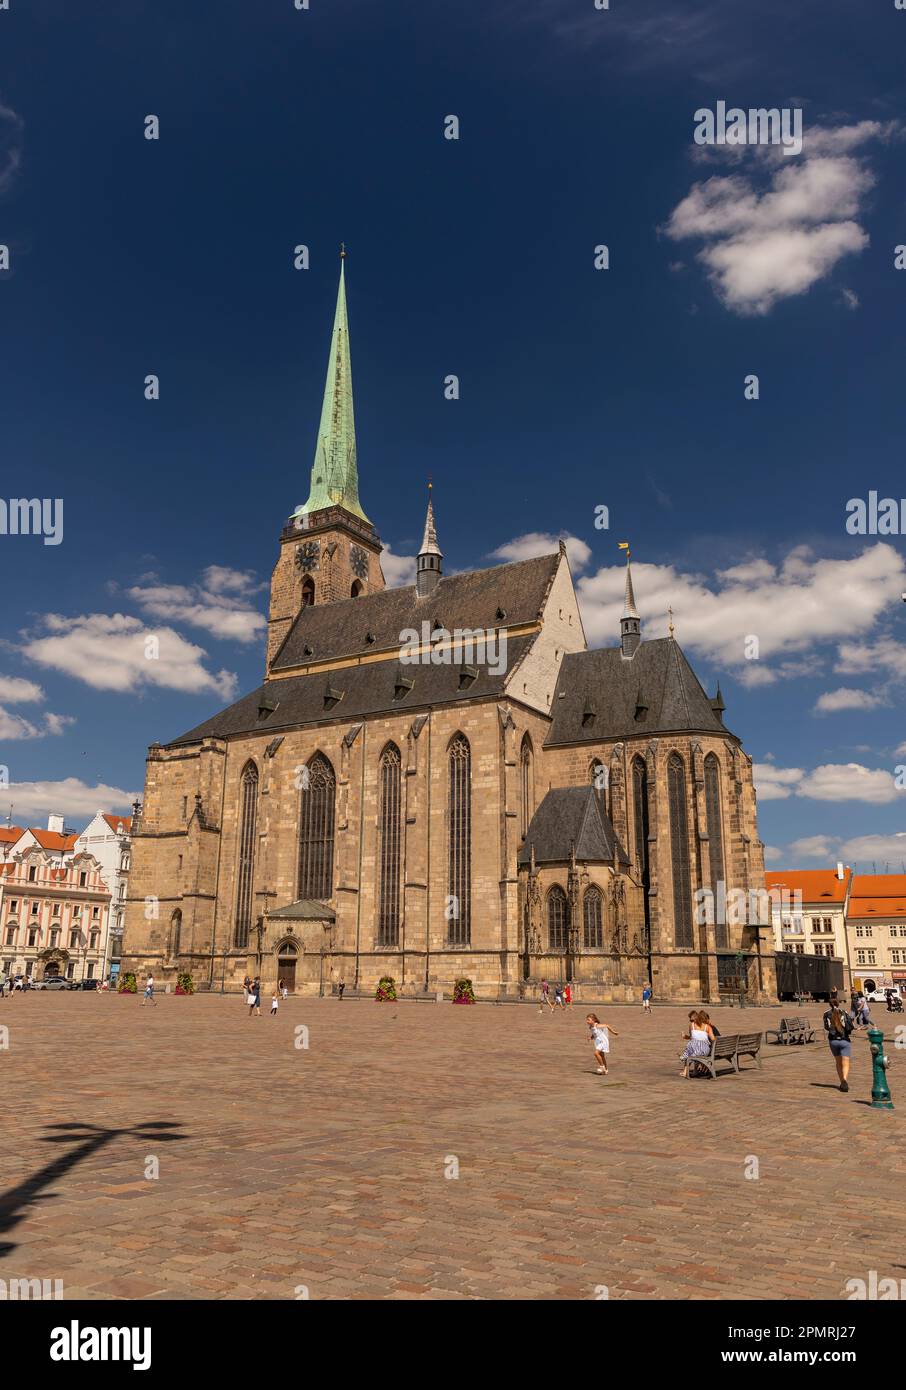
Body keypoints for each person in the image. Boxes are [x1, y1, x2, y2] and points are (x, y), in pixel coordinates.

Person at [823, 999, 854, 1092]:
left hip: (833, 1040)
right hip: (844, 1040)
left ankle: (841, 1081)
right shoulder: (844, 1012)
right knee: (846, 1062)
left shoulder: (826, 1014)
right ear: (838, 1004)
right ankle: (844, 1080)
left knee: (838, 1062)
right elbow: (849, 1025)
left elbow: (826, 1027)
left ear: (829, 1005)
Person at [681, 1011, 712, 1078]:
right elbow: (713, 1039)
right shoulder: (708, 1027)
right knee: (696, 1049)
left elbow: (692, 1038)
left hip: (696, 1050)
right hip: (705, 1051)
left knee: (691, 1049)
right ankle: (695, 1071)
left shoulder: (691, 1026)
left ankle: (685, 1071)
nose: (691, 1021)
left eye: (692, 1020)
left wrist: (685, 1036)